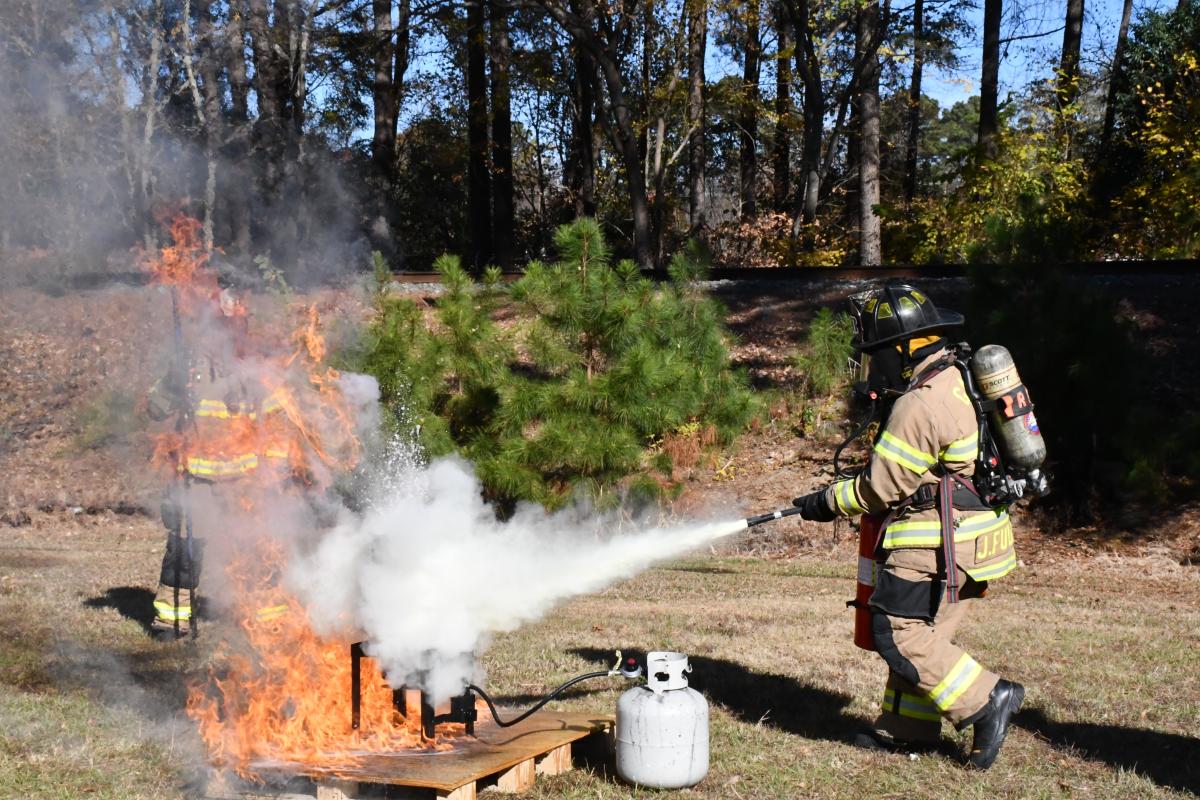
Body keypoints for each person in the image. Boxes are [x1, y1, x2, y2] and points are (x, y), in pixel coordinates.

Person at [791, 283, 1024, 769]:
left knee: (897, 632)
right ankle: (908, 729)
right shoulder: (956, 375)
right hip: (979, 540)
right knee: (926, 634)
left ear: (902, 349)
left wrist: (824, 502)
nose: (873, 366)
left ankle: (988, 699)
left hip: (937, 541)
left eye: (877, 354)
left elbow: (880, 489)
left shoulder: (920, 404)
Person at [145, 283, 293, 638]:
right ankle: (172, 617)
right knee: (184, 547)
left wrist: (272, 477)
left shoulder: (257, 368)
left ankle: (267, 618)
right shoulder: (190, 364)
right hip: (196, 478)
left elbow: (275, 426)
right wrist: (173, 384)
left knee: (259, 547)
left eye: (236, 322)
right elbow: (155, 407)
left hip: (247, 479)